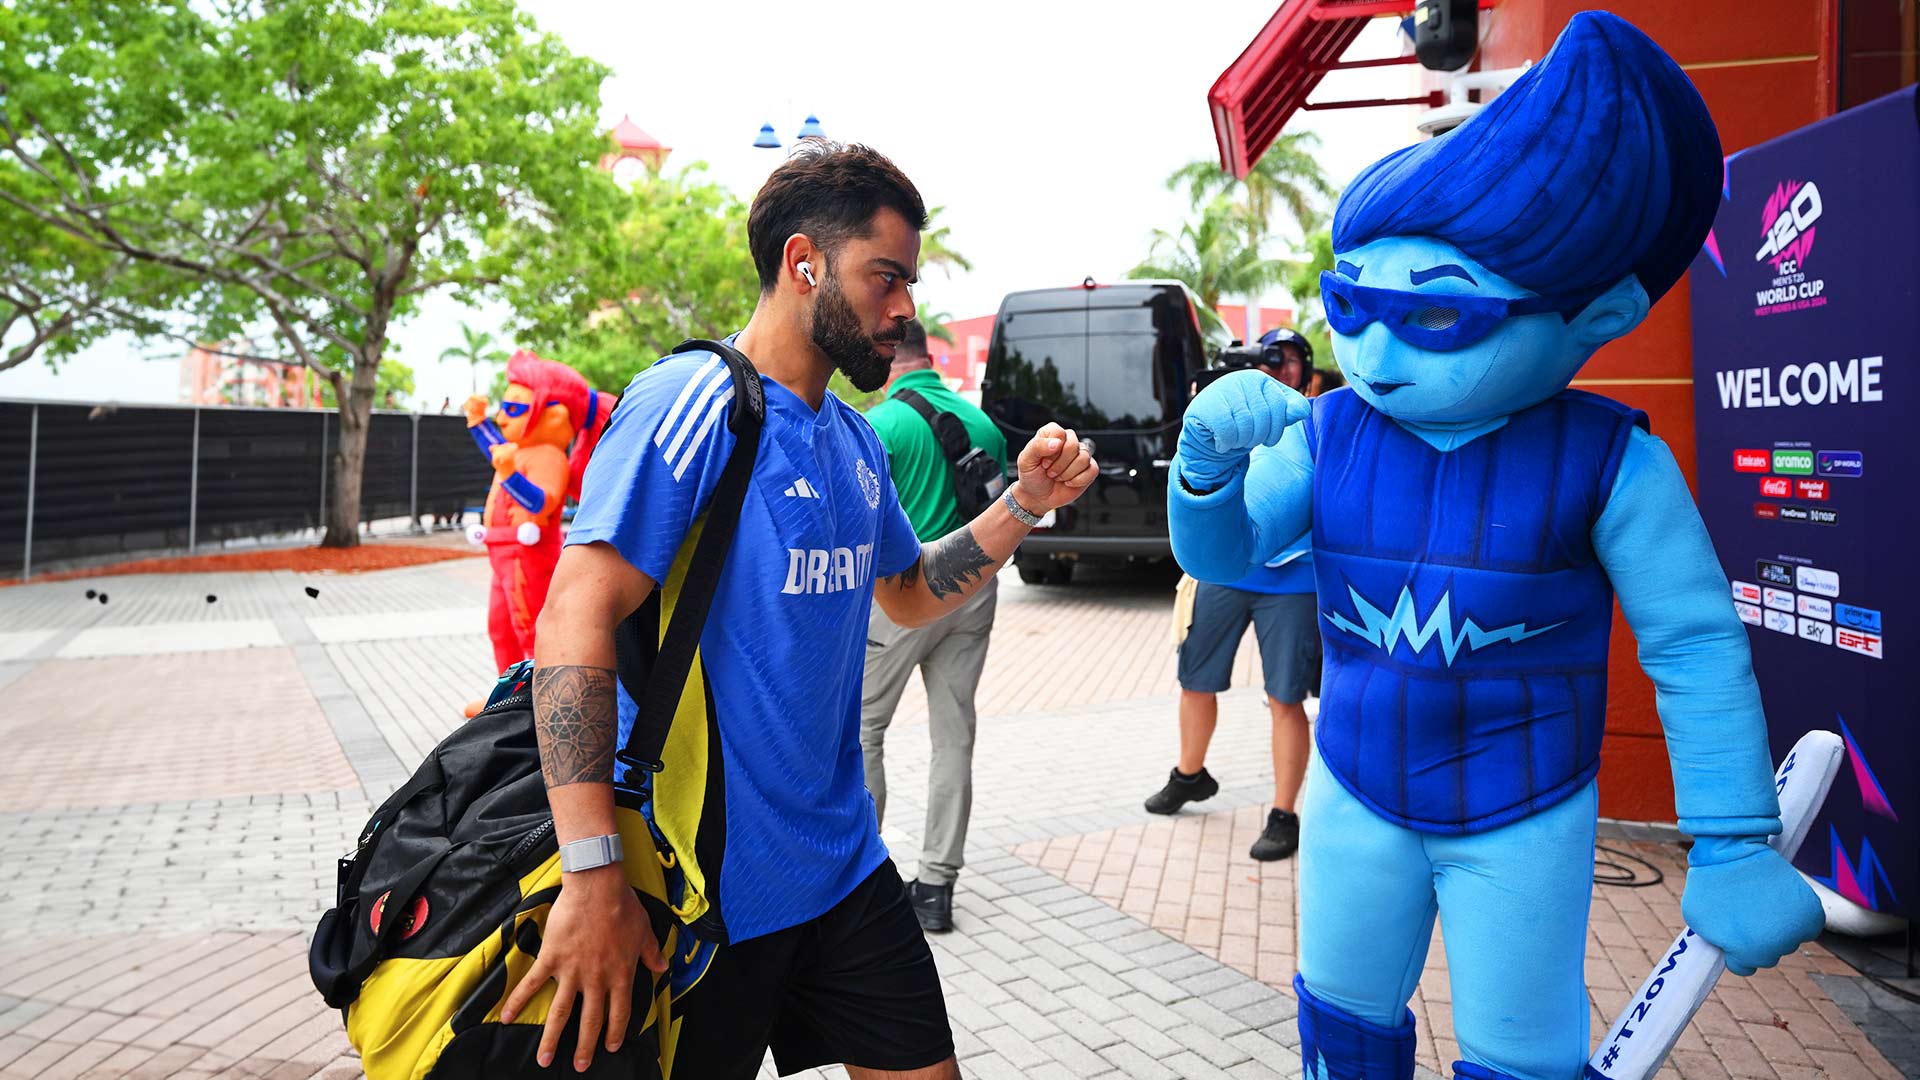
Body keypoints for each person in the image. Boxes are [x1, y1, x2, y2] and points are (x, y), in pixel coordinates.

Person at [1168, 14, 1823, 1078]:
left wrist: (1733, 840)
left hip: (1527, 811)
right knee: (1340, 1023)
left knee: (1521, 1053)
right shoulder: (1329, 434)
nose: (1372, 347)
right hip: (1354, 789)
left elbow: (1695, 645)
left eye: (1437, 317)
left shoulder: (1611, 461)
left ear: (1594, 314)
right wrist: (1201, 468)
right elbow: (1225, 552)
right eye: (1351, 302)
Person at [502, 140, 1097, 1080]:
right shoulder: (696, 403)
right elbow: (573, 617)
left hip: (843, 869)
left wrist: (1023, 504)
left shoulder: (854, 439)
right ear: (804, 263)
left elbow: (909, 591)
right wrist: (591, 869)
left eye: (909, 283)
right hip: (701, 891)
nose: (904, 309)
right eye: (885, 277)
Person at [859, 318, 1010, 933]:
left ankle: (860, 884)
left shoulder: (881, 424)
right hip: (973, 593)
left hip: (902, 596)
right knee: (954, 737)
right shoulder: (983, 425)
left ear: (892, 356)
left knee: (862, 731)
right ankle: (937, 886)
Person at [1145, 327, 1318, 864]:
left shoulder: (1316, 420)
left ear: (1308, 370)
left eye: (1288, 360)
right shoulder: (1233, 405)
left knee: (1285, 696)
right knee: (1195, 679)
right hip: (1223, 575)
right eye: (1267, 358)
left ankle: (1284, 812)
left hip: (1293, 577)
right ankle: (1189, 774)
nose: (1277, 368)